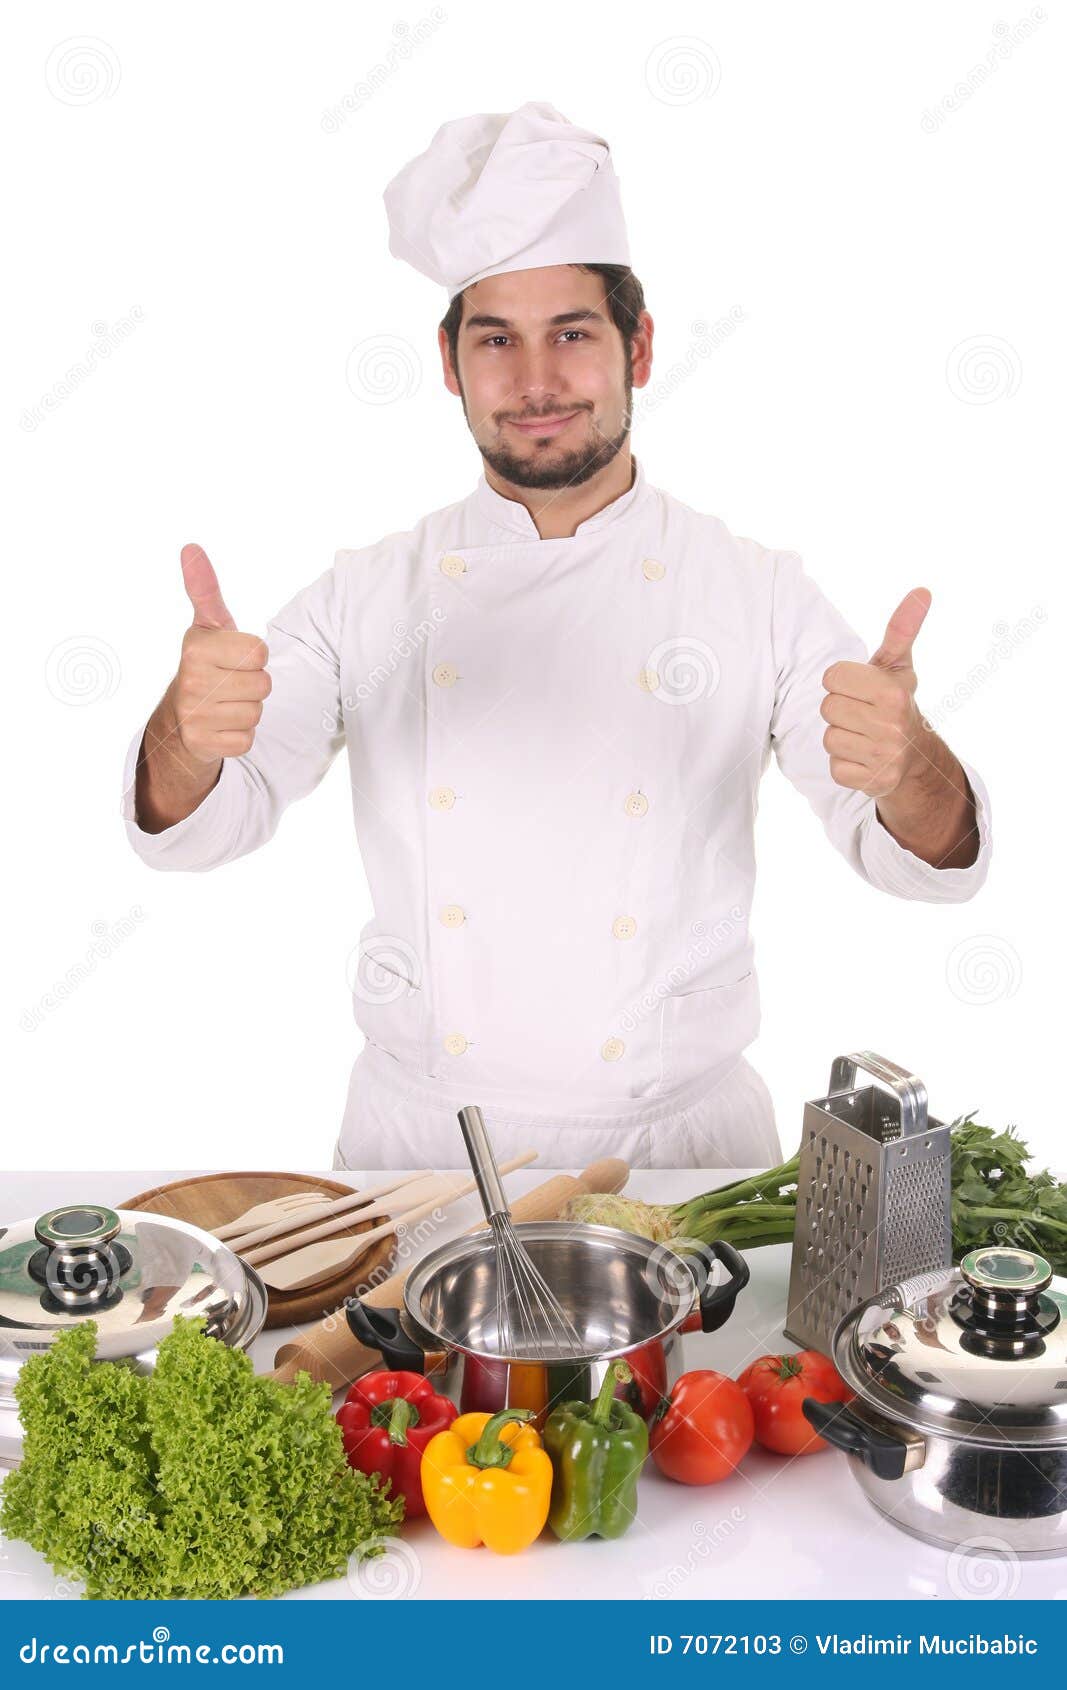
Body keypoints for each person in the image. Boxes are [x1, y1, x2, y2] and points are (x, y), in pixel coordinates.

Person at [121, 101, 991, 1172]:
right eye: (496, 339)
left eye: (571, 334)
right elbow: (201, 823)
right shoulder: (367, 595)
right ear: (448, 365)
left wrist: (909, 766)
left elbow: (923, 857)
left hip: (680, 1152)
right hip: (422, 1155)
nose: (534, 382)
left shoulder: (751, 591)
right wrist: (185, 732)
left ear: (640, 344)